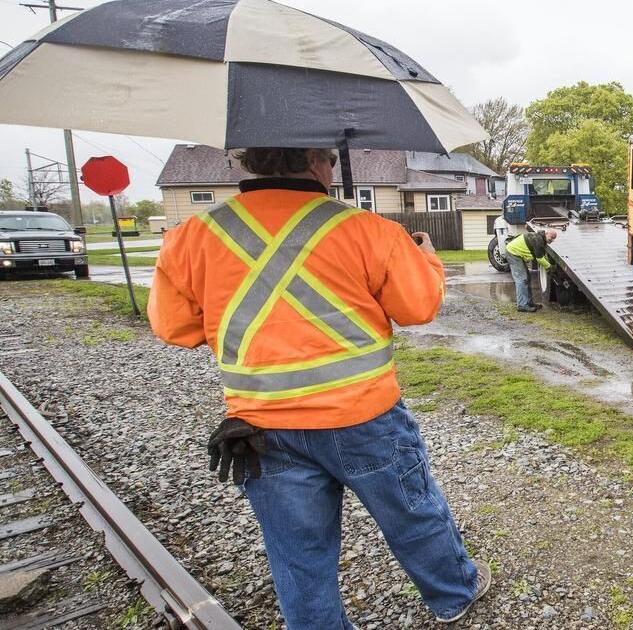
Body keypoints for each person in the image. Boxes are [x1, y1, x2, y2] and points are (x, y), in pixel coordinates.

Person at [147, 147, 490, 628]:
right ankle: (454, 595)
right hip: (364, 418)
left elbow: (175, 329)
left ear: (252, 162)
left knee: (298, 552)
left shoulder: (190, 237)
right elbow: (417, 308)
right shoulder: (368, 229)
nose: (331, 168)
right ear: (314, 160)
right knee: (412, 514)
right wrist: (427, 261)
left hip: (260, 426)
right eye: (330, 158)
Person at [504, 229, 558, 312]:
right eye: (551, 237)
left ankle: (529, 302)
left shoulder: (540, 238)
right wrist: (550, 267)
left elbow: (541, 256)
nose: (552, 240)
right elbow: (539, 259)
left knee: (527, 278)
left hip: (517, 254)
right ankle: (522, 305)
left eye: (554, 238)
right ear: (546, 233)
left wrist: (548, 265)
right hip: (513, 254)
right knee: (522, 279)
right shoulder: (538, 240)